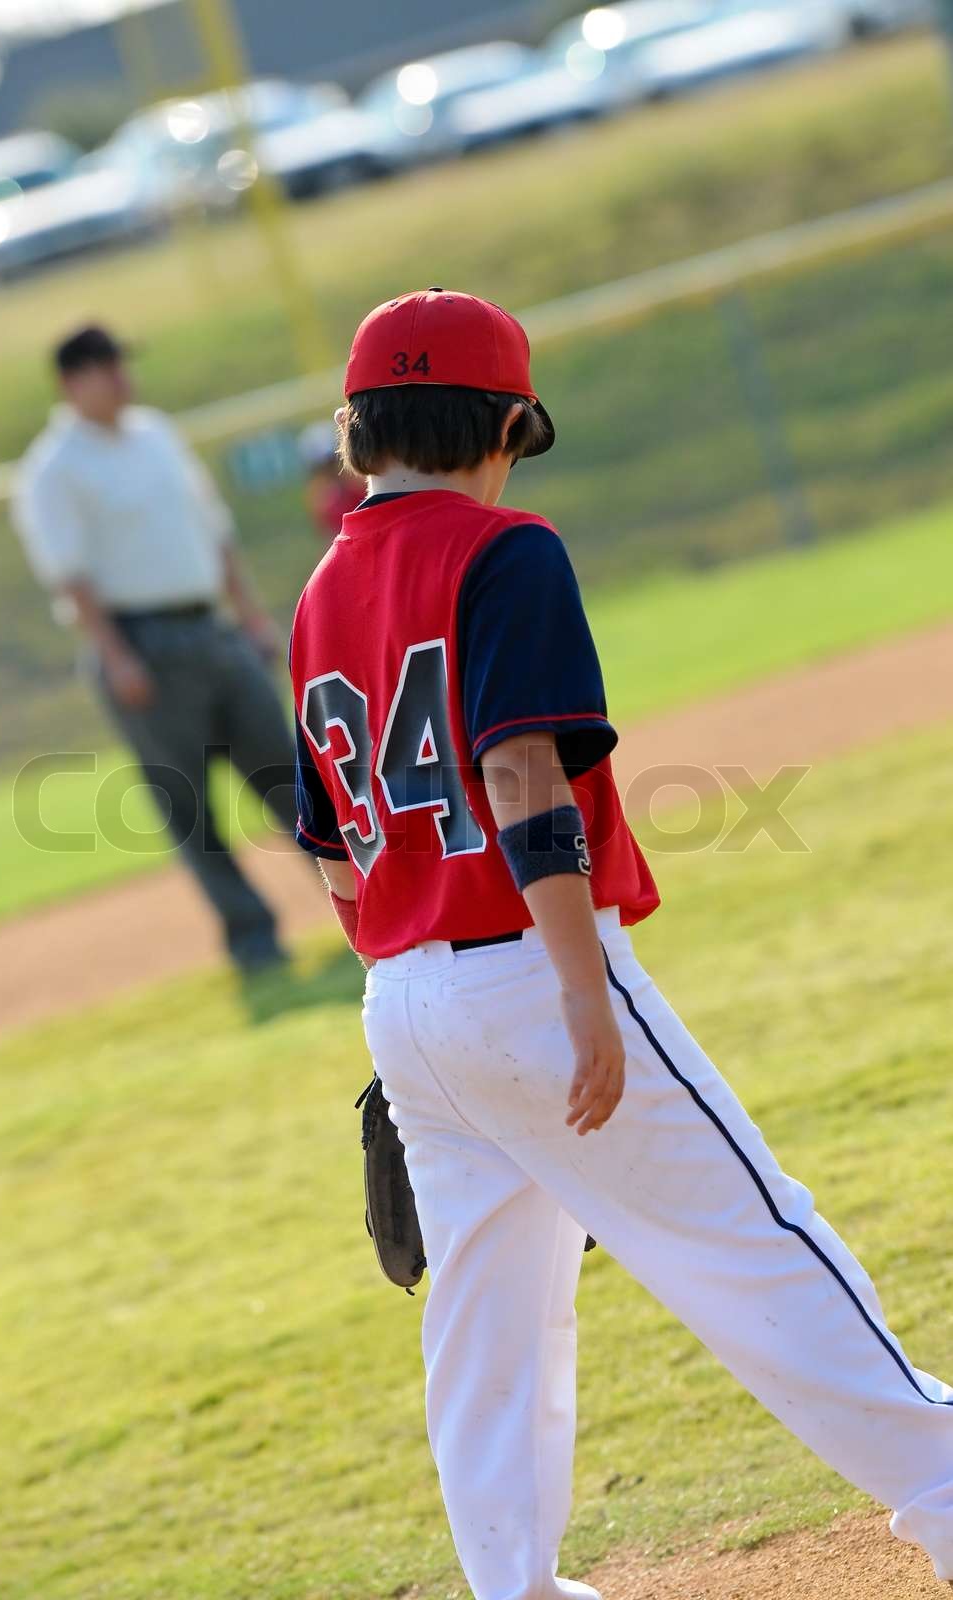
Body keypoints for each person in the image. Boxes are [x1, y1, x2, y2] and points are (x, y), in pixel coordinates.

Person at [289, 289, 953, 1599]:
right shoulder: (504, 551)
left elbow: (330, 851)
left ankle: (514, 1586)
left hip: (407, 997)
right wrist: (577, 1001)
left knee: (486, 1325)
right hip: (530, 970)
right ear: (502, 426)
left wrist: (415, 997)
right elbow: (521, 769)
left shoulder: (320, 589)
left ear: (360, 435)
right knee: (754, 1242)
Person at [13, 324, 296, 975]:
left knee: (285, 772)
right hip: (140, 641)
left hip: (210, 626)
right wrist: (115, 655)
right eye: (102, 367)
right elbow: (69, 573)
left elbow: (215, 531)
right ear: (69, 382)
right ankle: (252, 936)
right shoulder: (54, 467)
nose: (119, 377)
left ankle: (363, 902)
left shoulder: (155, 434)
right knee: (188, 802)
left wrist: (249, 615)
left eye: (119, 364)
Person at [298, 420, 366, 543]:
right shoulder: (322, 501)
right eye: (323, 466)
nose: (330, 470)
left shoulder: (359, 485)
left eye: (332, 462)